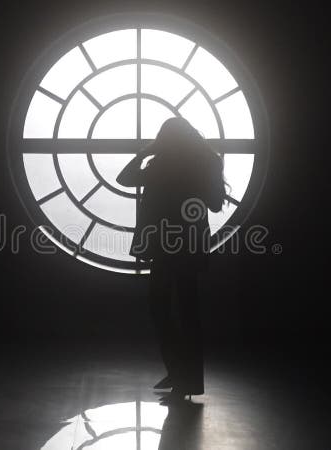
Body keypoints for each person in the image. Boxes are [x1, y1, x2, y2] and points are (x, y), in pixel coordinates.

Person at [117, 117, 226, 403]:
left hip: (162, 244)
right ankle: (186, 377)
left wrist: (144, 153)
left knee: (160, 307)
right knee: (188, 310)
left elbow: (124, 178)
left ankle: (178, 371)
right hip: (191, 242)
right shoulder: (208, 163)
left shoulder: (158, 165)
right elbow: (215, 204)